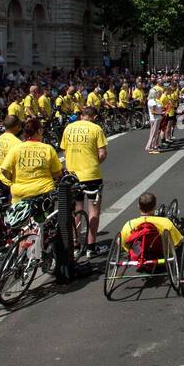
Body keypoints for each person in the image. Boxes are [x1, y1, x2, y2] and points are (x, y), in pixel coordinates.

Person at [62, 105, 108, 257]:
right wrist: (91, 163)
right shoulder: (96, 129)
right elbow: (102, 154)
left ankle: (75, 244)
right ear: (94, 117)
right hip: (92, 174)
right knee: (94, 210)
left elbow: (64, 150)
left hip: (73, 175)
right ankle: (91, 247)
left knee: (76, 210)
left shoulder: (68, 128)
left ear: (82, 115)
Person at [0, 118, 62, 203]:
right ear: (39, 131)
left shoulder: (15, 149)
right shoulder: (48, 149)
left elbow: (4, 169)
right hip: (43, 192)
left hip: (20, 193)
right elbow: (57, 173)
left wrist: (13, 179)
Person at [119, 192, 184, 254]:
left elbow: (121, 243)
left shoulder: (129, 224)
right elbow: (177, 243)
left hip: (138, 253)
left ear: (139, 206)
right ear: (155, 207)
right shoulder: (165, 222)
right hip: (162, 252)